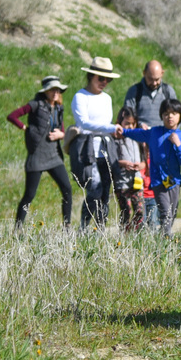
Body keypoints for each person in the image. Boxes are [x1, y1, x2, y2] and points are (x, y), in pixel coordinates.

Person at [122, 98, 181, 235]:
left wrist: (178, 145)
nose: (169, 116)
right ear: (161, 116)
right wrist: (123, 132)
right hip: (158, 181)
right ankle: (167, 241)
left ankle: (162, 238)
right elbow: (137, 133)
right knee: (166, 213)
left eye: (173, 113)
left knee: (172, 214)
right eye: (166, 113)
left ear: (180, 116)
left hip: (174, 182)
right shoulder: (155, 132)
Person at [71, 56, 123, 230]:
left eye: (108, 79)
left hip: (106, 149)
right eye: (101, 78)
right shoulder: (80, 96)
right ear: (91, 77)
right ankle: (84, 227)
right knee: (94, 189)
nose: (104, 82)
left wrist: (110, 129)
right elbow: (83, 123)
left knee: (105, 191)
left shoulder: (107, 99)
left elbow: (104, 124)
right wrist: (109, 127)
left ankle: (100, 229)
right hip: (87, 149)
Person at [14, 76, 73, 227]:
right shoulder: (35, 105)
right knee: (29, 195)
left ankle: (67, 228)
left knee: (67, 189)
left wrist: (62, 135)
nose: (56, 93)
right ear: (46, 91)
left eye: (58, 90)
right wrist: (25, 129)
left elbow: (62, 129)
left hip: (54, 156)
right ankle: (18, 228)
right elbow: (13, 116)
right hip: (37, 155)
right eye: (53, 89)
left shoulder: (59, 108)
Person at [114, 109, 148, 230]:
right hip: (122, 181)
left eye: (132, 124)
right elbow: (112, 160)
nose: (130, 127)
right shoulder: (115, 139)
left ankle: (134, 233)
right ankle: (124, 235)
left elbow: (144, 161)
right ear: (120, 123)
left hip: (137, 180)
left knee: (140, 211)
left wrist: (141, 165)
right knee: (126, 211)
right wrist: (123, 163)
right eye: (127, 123)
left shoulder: (138, 139)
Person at [121, 60, 179, 128]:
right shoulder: (134, 91)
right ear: (144, 73)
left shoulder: (168, 91)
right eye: (150, 79)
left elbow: (177, 116)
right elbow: (127, 115)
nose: (154, 83)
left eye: (157, 79)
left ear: (162, 73)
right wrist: (140, 124)